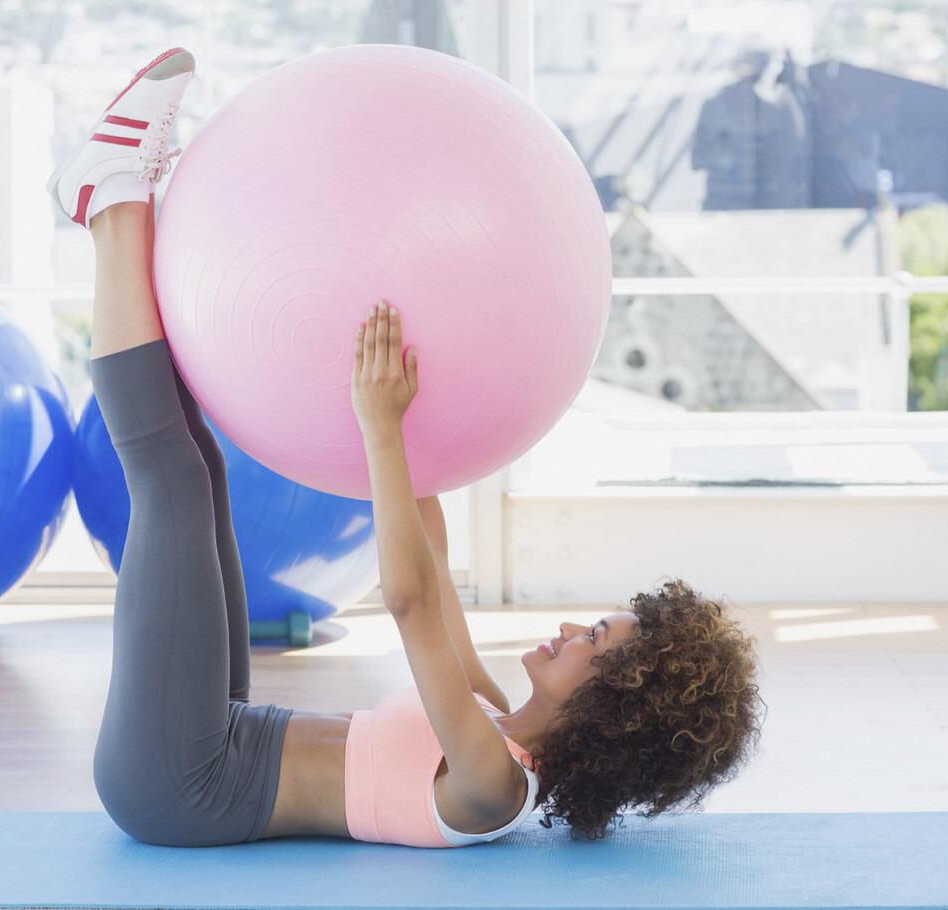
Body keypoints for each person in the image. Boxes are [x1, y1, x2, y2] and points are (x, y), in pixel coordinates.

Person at [47, 47, 764, 849]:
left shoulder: (496, 784)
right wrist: (426, 433)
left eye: (593, 643)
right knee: (203, 468)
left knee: (170, 482)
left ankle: (110, 200)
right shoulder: (497, 716)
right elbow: (437, 568)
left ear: (612, 705)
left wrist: (378, 427)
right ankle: (123, 209)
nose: (571, 631)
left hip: (183, 782)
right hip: (224, 728)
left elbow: (411, 602)